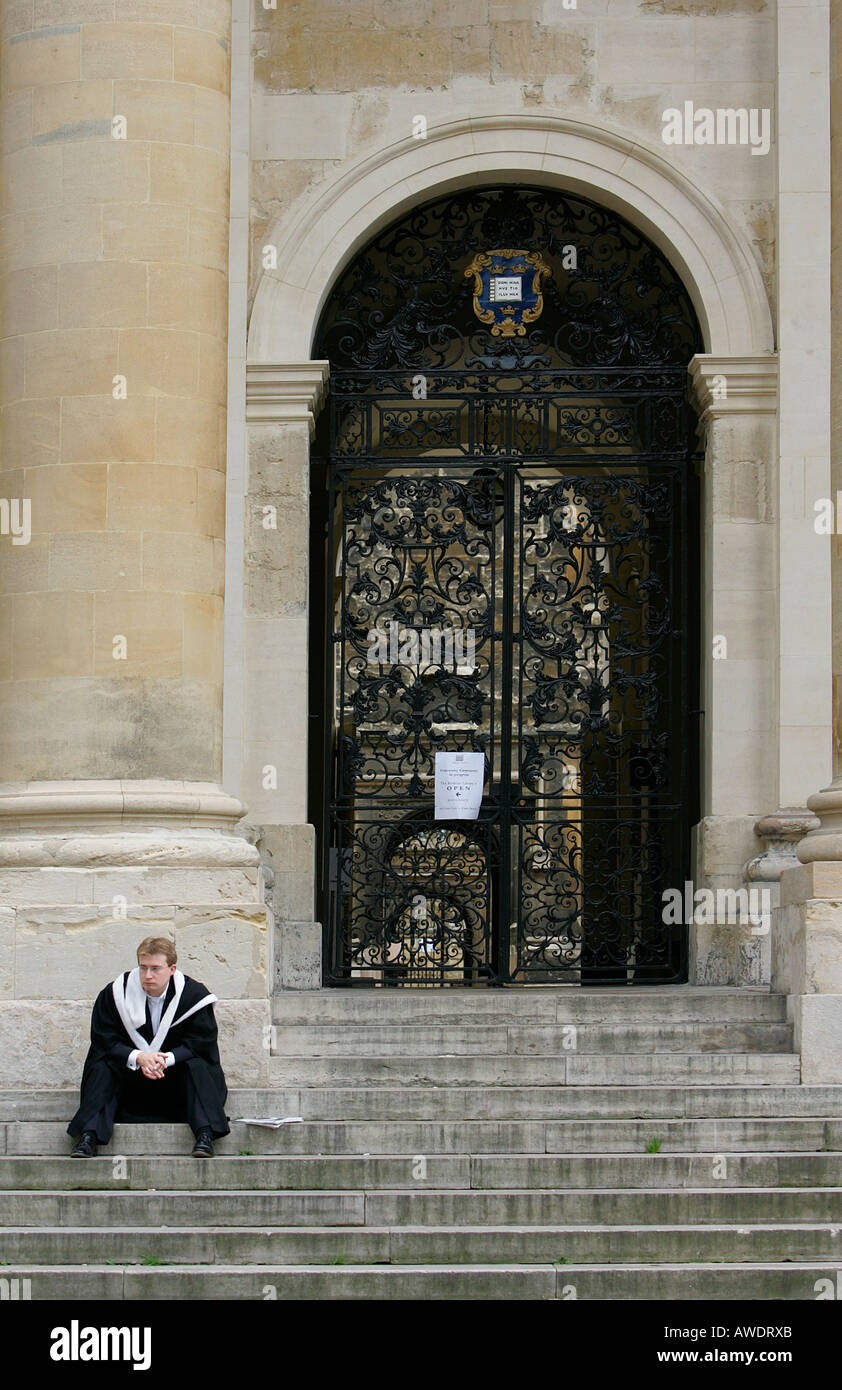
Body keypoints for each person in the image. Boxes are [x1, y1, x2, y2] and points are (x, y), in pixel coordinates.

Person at [67, 936, 230, 1158]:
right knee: (103, 1066)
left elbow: (201, 1042)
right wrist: (138, 1057)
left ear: (172, 969)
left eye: (155, 968)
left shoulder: (193, 996)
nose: (148, 976)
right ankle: (89, 1136)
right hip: (130, 1084)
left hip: (174, 1083)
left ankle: (204, 1134)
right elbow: (103, 1038)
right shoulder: (116, 993)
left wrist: (166, 1059)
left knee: (197, 1065)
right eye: (143, 968)